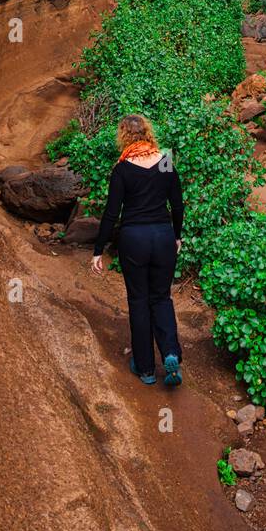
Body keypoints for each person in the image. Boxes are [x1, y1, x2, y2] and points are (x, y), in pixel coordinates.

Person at [91, 114, 184, 387]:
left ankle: (145, 368)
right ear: (148, 133)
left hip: (134, 239)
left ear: (124, 136)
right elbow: (177, 206)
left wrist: (98, 250)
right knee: (162, 298)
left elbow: (111, 214)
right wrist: (176, 236)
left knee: (139, 301)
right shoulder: (165, 161)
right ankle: (170, 353)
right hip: (163, 236)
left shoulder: (121, 170)